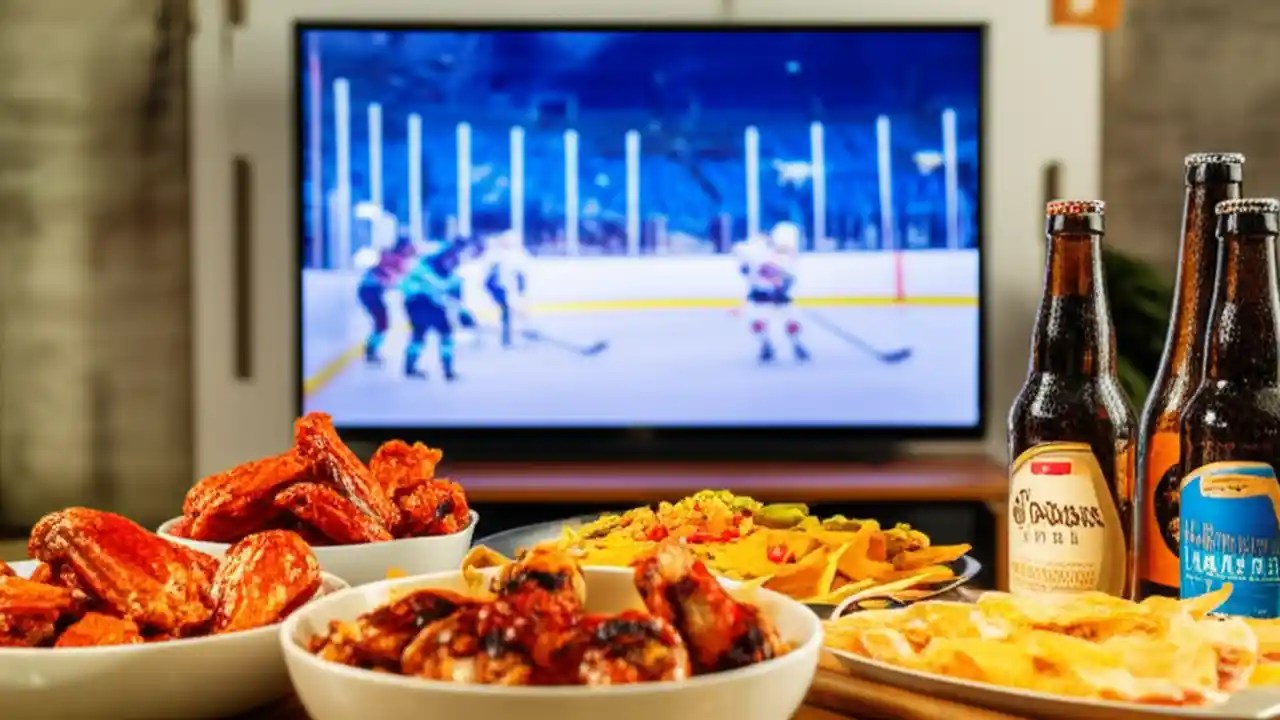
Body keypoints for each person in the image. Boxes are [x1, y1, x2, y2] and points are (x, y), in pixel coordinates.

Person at [736, 222, 810, 363]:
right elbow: (747, 269)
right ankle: (766, 345)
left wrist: (781, 291)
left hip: (779, 298)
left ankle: (796, 344)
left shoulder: (788, 259)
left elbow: (789, 279)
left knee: (792, 322)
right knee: (758, 323)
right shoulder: (757, 251)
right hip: (761, 297)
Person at [400, 240, 467, 381]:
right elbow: (420, 285)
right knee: (423, 333)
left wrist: (462, 311)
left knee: (442, 333)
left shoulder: (449, 274)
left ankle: (445, 368)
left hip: (427, 305)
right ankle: (413, 366)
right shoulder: (425, 268)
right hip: (418, 303)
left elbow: (453, 296)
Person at [355, 233, 417, 365]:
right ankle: (371, 350)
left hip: (370, 291)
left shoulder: (391, 256)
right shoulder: (396, 259)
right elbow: (394, 278)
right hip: (370, 291)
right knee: (382, 322)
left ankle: (371, 349)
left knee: (382, 322)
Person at [480, 228, 531, 347]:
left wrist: (520, 287)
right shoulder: (498, 255)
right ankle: (507, 338)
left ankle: (508, 337)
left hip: (508, 289)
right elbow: (490, 273)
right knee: (507, 311)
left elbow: (520, 274)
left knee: (509, 311)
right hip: (500, 288)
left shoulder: (515, 255)